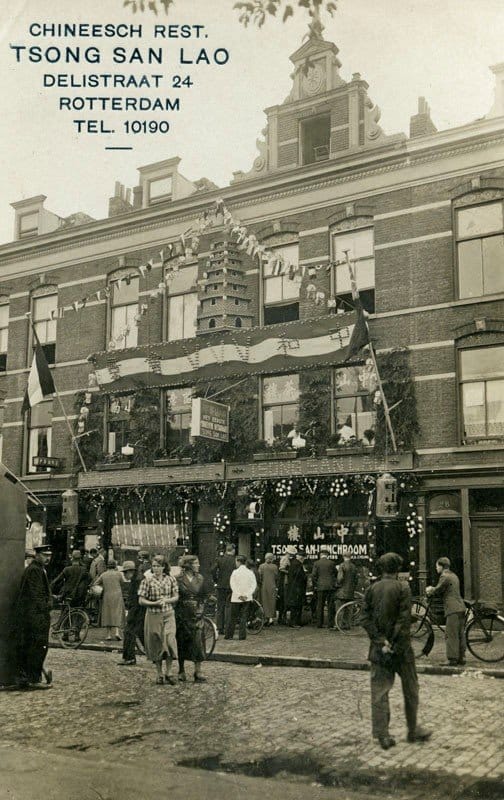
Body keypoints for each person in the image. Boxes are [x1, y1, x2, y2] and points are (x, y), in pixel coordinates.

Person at [361, 552, 432, 750]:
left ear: (381, 569)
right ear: (397, 569)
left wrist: (381, 641)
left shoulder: (371, 589)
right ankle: (413, 730)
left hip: (379, 650)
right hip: (401, 650)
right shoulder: (403, 588)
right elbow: (403, 620)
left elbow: (364, 618)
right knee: (411, 689)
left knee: (380, 692)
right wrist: (393, 643)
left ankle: (382, 735)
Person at [14, 544, 53, 690]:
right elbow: (37, 595)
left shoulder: (37, 569)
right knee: (37, 647)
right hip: (35, 616)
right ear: (37, 555)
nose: (48, 558)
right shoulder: (35, 570)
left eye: (49, 555)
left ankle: (29, 677)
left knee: (34, 646)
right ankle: (33, 679)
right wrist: (47, 607)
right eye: (45, 555)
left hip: (33, 615)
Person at [138, 556, 179, 684]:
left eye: (158, 566)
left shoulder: (171, 579)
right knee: (157, 643)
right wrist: (153, 603)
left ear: (164, 567)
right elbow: (141, 600)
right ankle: (159, 673)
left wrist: (166, 600)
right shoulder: (147, 581)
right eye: (154, 566)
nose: (156, 568)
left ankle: (169, 672)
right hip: (153, 615)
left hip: (168, 614)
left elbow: (176, 597)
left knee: (169, 640)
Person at [176, 555, 213, 682]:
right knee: (181, 641)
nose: (198, 565)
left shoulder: (200, 578)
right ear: (188, 565)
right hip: (182, 613)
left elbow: (204, 595)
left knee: (198, 641)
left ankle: (198, 671)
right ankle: (181, 670)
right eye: (196, 563)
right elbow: (176, 595)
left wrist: (201, 607)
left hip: (196, 613)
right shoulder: (178, 579)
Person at [426, 556, 466, 666]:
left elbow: (438, 589)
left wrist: (430, 590)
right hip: (460, 607)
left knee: (451, 634)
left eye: (437, 566)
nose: (436, 568)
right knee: (460, 633)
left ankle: (452, 659)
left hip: (452, 608)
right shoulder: (454, 575)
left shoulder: (444, 576)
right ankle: (461, 657)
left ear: (441, 566)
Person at [118, 551, 150, 667]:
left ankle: (129, 657)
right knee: (141, 633)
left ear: (129, 571)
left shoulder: (136, 581)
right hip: (140, 610)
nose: (124, 575)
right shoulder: (138, 579)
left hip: (136, 611)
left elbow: (135, 599)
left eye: (125, 573)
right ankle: (155, 655)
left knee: (128, 632)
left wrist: (130, 614)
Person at [226, 554, 257, 641]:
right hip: (247, 598)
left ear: (238, 562)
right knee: (244, 616)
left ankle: (229, 635)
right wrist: (246, 595)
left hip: (236, 598)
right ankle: (242, 635)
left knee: (233, 617)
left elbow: (232, 585)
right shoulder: (250, 573)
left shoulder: (235, 572)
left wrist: (239, 594)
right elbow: (253, 585)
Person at [92, 559, 125, 640]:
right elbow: (122, 583)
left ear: (107, 566)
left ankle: (108, 635)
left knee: (108, 614)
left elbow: (95, 584)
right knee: (117, 613)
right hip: (117, 595)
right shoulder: (118, 574)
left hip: (107, 595)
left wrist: (101, 588)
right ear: (115, 566)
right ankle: (117, 632)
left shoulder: (104, 574)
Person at [212, 543, 236, 635]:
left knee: (220, 607)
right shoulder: (235, 560)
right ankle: (228, 627)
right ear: (232, 550)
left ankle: (220, 627)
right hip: (232, 586)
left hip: (221, 585)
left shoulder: (219, 559)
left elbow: (213, 570)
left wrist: (216, 580)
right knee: (229, 607)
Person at [312, 545, 337, 628]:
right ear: (327, 555)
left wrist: (316, 584)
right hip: (330, 587)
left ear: (320, 555)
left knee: (320, 605)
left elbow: (313, 575)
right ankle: (330, 624)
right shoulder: (332, 563)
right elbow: (335, 574)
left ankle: (319, 624)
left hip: (320, 586)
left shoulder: (316, 563)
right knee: (330, 605)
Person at [335, 553, 359, 629]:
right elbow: (356, 579)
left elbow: (340, 578)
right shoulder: (354, 566)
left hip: (342, 591)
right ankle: (347, 625)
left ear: (343, 557)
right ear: (350, 557)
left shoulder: (342, 565)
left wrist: (337, 584)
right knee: (349, 609)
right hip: (350, 591)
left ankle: (339, 625)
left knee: (340, 608)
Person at [286, 549, 307, 628]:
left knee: (294, 606)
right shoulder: (298, 564)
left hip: (293, 587)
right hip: (297, 588)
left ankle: (295, 622)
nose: (304, 559)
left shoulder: (293, 563)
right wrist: (305, 576)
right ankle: (294, 622)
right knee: (296, 606)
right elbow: (300, 576)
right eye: (304, 557)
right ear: (301, 557)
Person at [258, 553, 278, 626]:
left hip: (264, 586)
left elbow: (259, 576)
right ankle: (271, 618)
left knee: (264, 602)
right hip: (272, 586)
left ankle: (265, 617)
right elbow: (276, 577)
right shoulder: (275, 567)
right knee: (272, 602)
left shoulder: (261, 566)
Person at [277, 547, 293, 624]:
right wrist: (289, 572)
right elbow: (281, 569)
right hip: (284, 581)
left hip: (284, 580)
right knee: (284, 599)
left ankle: (282, 617)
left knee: (284, 599)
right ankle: (282, 617)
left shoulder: (286, 559)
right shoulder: (285, 559)